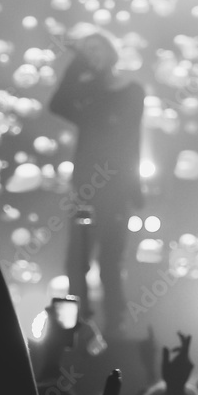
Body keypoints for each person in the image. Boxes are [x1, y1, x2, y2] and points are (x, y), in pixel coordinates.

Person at [49, 26, 145, 335]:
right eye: (86, 50)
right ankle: (77, 325)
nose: (91, 55)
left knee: (110, 260)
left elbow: (132, 138)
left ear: (111, 51)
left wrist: (134, 187)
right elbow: (57, 104)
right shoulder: (86, 92)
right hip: (85, 187)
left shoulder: (131, 91)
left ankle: (115, 327)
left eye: (96, 48)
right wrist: (76, 64)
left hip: (116, 188)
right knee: (76, 258)